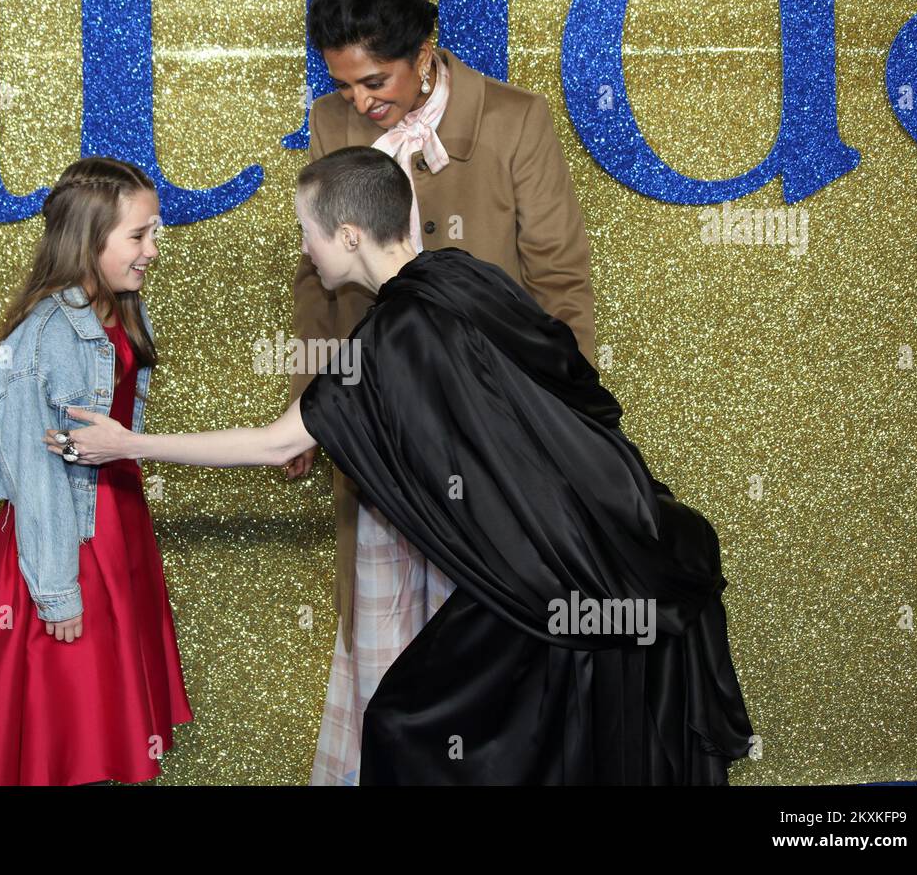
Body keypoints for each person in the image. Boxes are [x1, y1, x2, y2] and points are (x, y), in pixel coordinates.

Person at [48, 146, 754, 785]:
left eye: (307, 231)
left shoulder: (394, 334)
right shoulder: (464, 276)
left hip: (554, 580)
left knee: (405, 724)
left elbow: (276, 443)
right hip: (616, 540)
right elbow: (570, 386)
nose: (304, 247)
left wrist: (128, 444)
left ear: (348, 236)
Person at [285, 0, 600, 784]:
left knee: (489, 629)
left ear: (427, 50)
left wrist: (561, 426)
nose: (360, 101)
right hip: (385, 431)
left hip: (494, 436)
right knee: (386, 636)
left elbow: (561, 282)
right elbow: (313, 280)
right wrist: (306, 408)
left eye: (375, 80)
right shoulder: (332, 121)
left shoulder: (515, 119)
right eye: (345, 83)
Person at [0, 156, 192, 786]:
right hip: (68, 540)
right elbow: (37, 473)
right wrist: (57, 591)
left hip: (115, 527)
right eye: (138, 235)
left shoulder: (117, 308)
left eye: (154, 233)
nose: (152, 249)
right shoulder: (47, 336)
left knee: (106, 725)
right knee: (69, 724)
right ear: (89, 240)